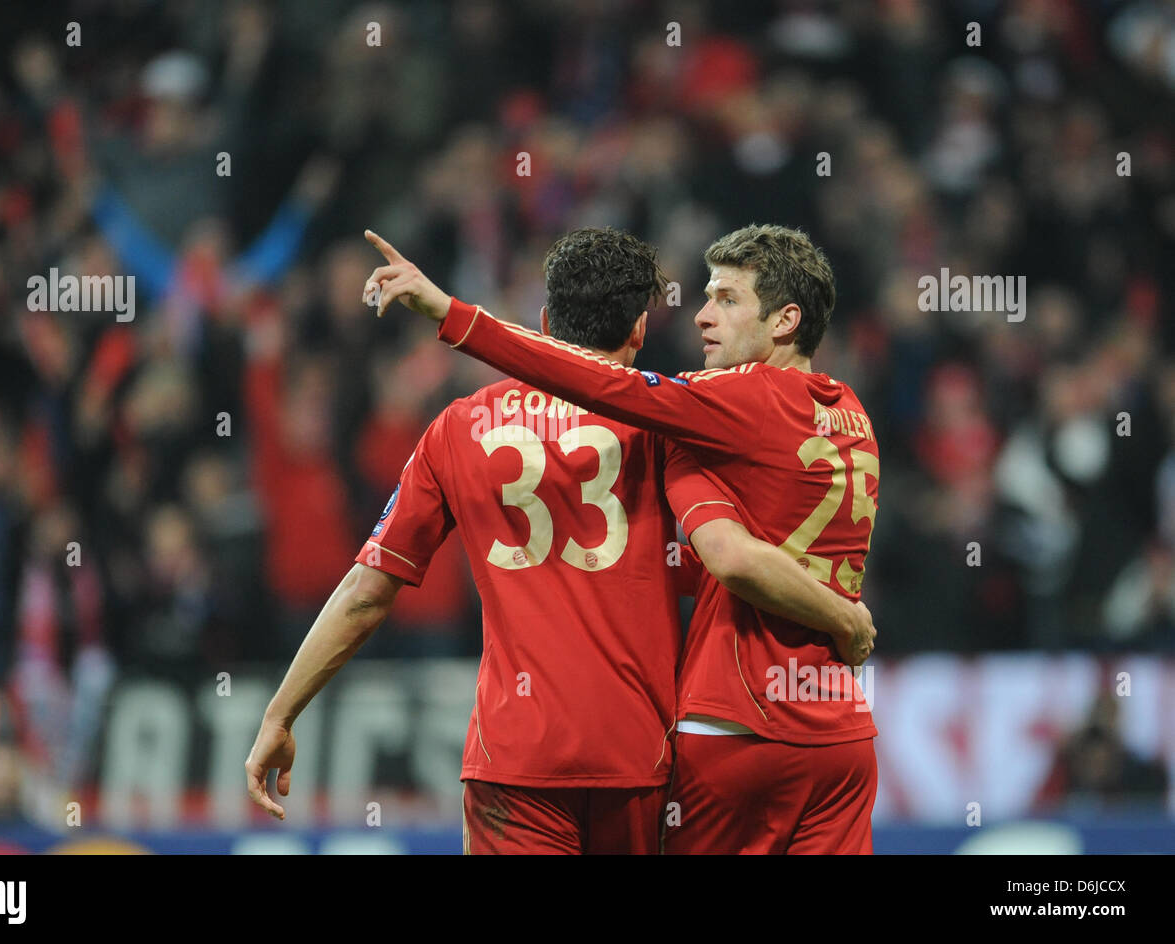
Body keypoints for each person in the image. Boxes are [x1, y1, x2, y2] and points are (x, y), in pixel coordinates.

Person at [248, 228, 873, 854]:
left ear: (545, 320)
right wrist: (840, 613)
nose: (708, 316)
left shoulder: (457, 429)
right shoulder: (670, 432)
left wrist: (280, 713)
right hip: (639, 758)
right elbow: (726, 557)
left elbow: (365, 592)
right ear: (638, 332)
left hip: (514, 758)